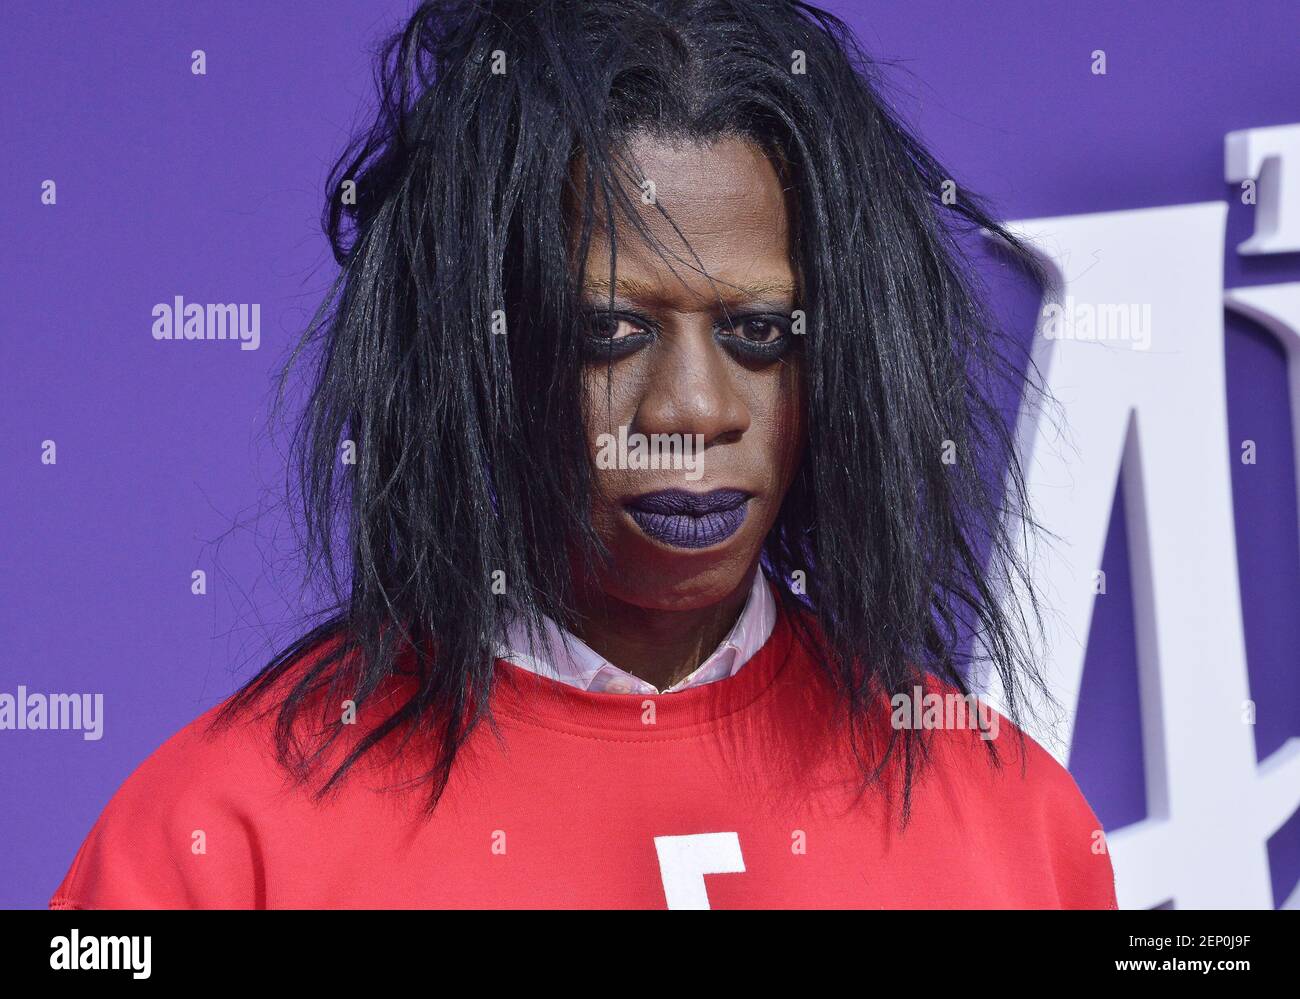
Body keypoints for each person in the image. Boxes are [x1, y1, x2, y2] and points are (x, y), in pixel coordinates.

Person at [51, 0, 1117, 909]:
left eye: (757, 333)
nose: (693, 409)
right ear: (475, 350)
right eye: (609, 331)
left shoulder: (1013, 824)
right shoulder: (214, 842)